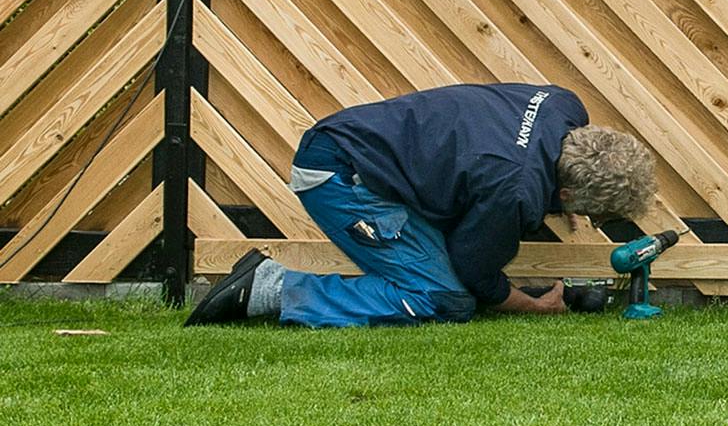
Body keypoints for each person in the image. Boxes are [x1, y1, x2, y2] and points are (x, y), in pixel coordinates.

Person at [184, 83, 655, 328]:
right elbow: (475, 273)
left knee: (449, 274)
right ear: (569, 192)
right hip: (341, 176)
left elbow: (516, 151)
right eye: (583, 209)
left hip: (366, 150)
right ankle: (268, 289)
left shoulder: (561, 105)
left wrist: (557, 192)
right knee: (442, 299)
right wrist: (533, 307)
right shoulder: (514, 188)